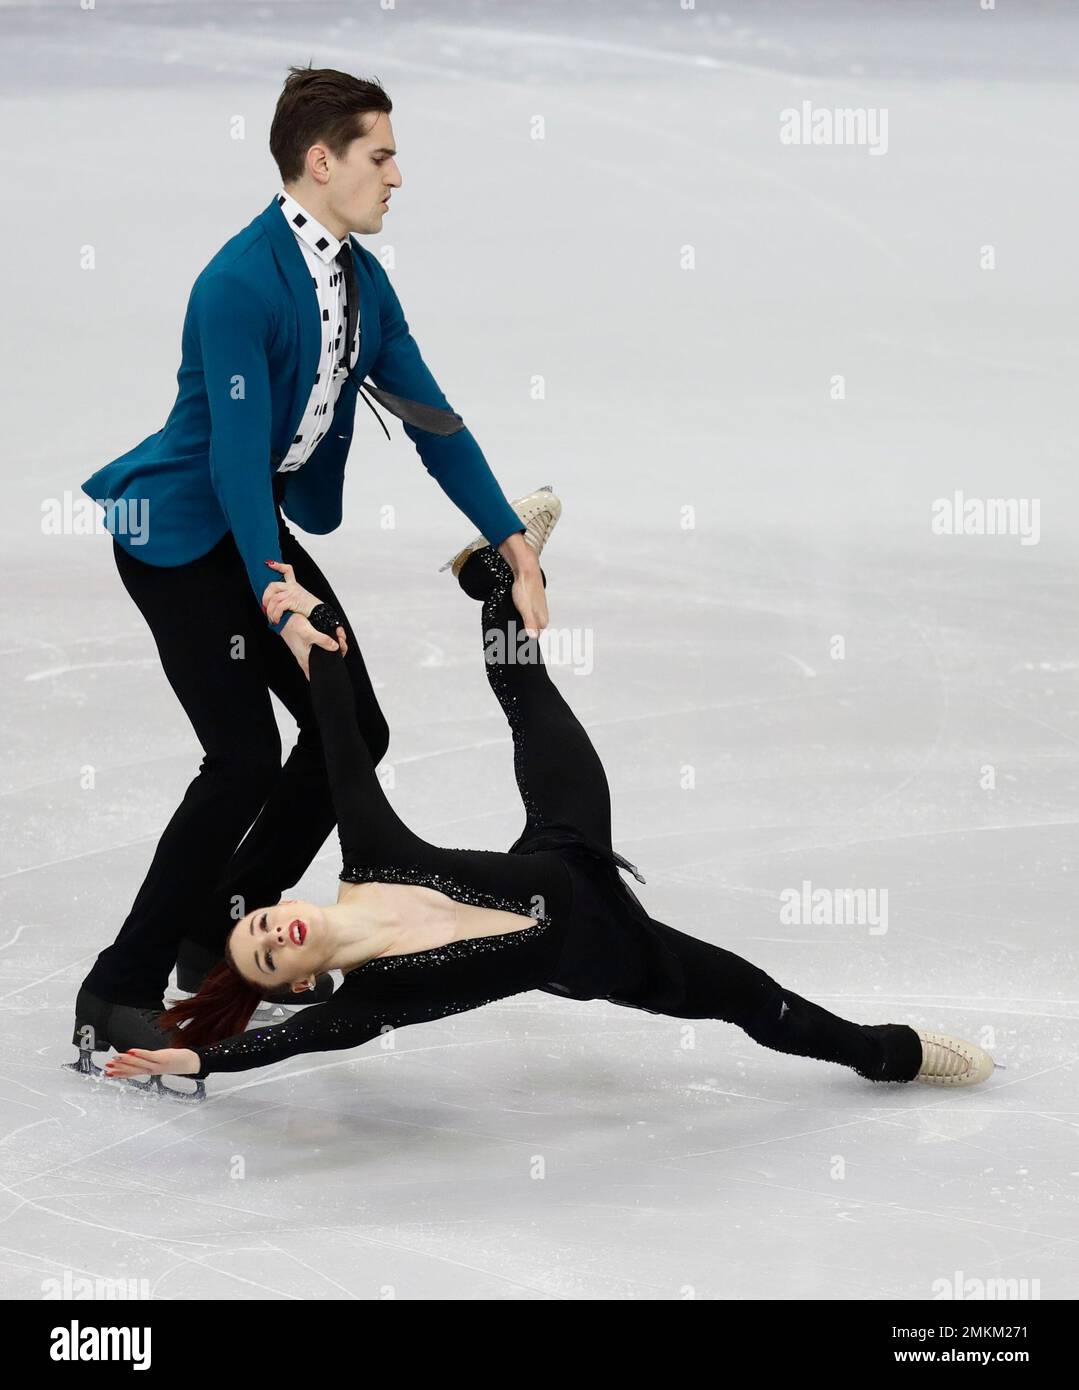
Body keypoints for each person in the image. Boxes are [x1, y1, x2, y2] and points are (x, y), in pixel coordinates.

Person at [101, 501, 996, 1097]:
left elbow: (342, 753)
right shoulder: (369, 1001)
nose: (269, 934)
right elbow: (286, 1046)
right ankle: (893, 1053)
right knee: (755, 1003)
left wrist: (313, 641)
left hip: (568, 847)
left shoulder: (371, 859)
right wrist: (198, 1058)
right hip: (613, 957)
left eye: (258, 924)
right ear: (297, 980)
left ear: (283, 906)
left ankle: (491, 584)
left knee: (534, 701)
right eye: (265, 959)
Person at [74, 65, 548, 1055]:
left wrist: (507, 532)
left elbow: (432, 420)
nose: (397, 176)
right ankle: (115, 984)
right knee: (241, 756)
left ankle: (218, 923)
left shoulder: (362, 284)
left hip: (249, 534)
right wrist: (271, 585)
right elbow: (234, 454)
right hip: (179, 536)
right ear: (321, 160)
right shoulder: (239, 281)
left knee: (354, 732)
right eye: (380, 155)